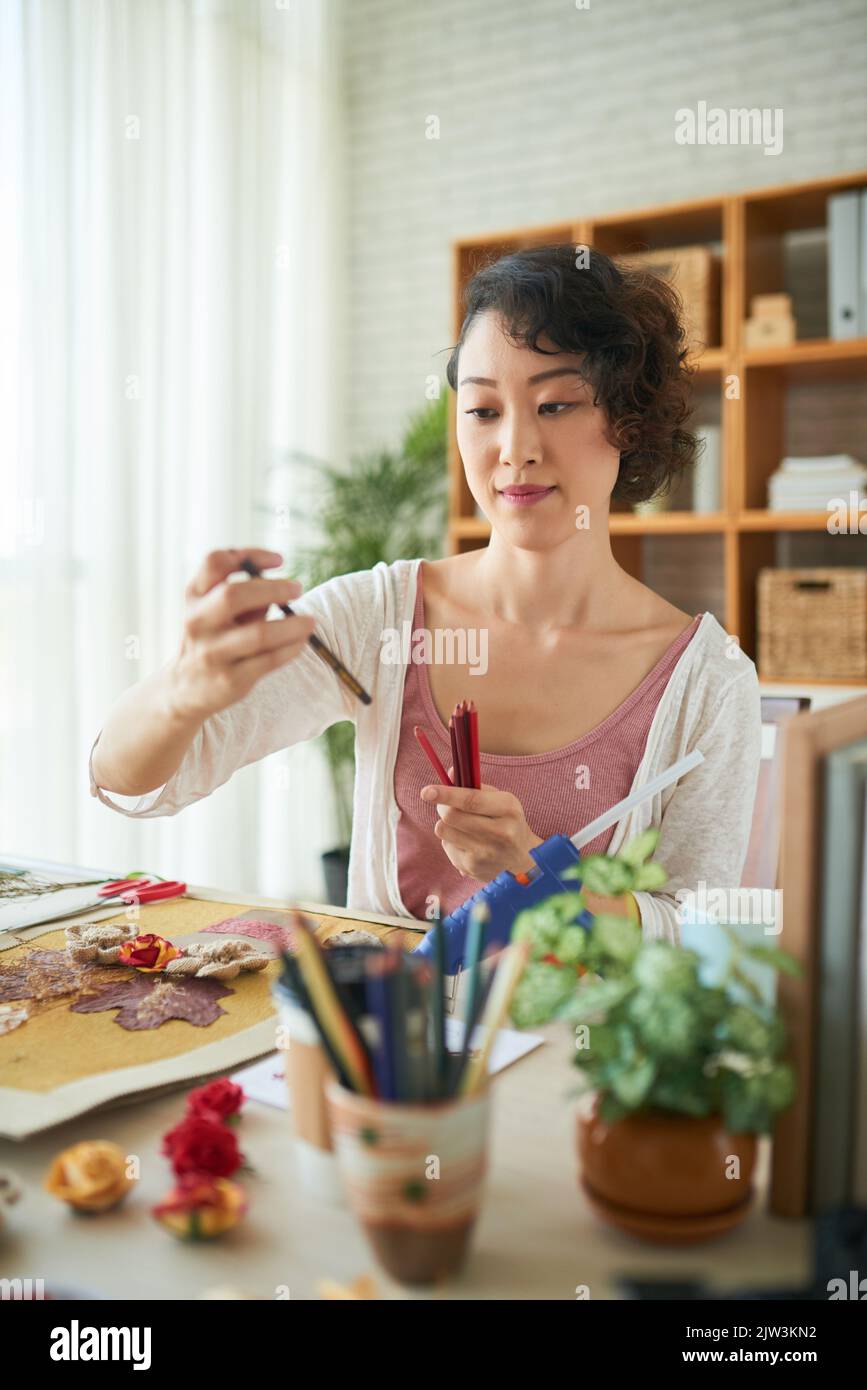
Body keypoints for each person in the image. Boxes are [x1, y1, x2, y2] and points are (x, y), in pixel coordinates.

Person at [91, 244, 761, 942]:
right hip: (389, 1045)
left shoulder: (706, 683)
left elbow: (701, 940)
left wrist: (535, 882)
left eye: (555, 403)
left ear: (630, 423)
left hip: (577, 1047)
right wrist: (181, 695)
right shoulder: (377, 616)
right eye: (481, 410)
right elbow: (129, 784)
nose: (514, 447)